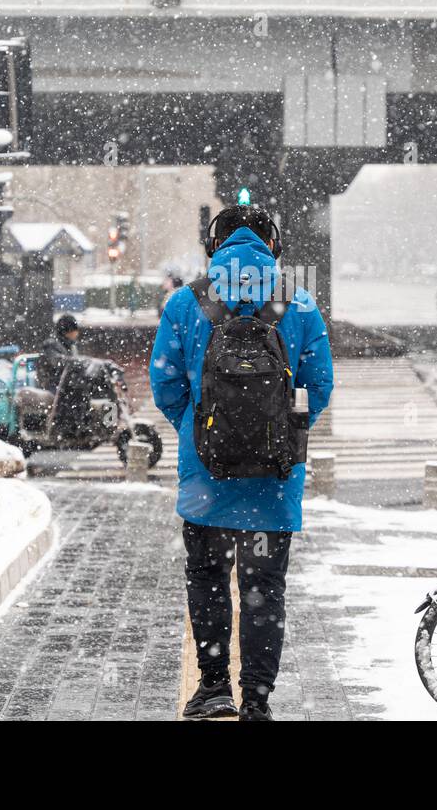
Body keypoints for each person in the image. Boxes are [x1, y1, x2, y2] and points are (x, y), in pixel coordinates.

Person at [150, 204, 334, 721]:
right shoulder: (297, 303)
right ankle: (255, 699)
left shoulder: (187, 303)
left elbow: (165, 383)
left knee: (208, 579)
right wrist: (284, 431)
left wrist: (199, 432)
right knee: (262, 590)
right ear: (273, 246)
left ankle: (212, 688)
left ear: (214, 247)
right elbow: (316, 386)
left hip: (206, 482)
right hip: (274, 484)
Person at [16, 314, 82, 427]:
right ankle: (67, 428)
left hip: (66, 385)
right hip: (52, 385)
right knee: (72, 398)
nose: (77, 334)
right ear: (67, 331)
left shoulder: (71, 347)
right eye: (75, 330)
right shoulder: (51, 345)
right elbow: (57, 362)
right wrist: (75, 364)